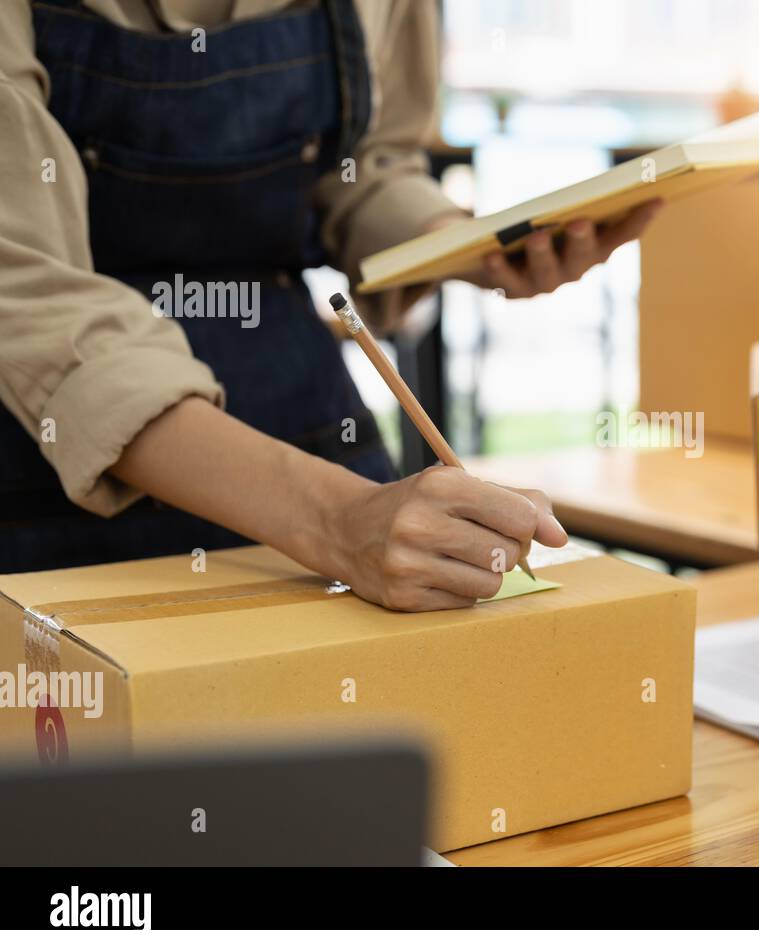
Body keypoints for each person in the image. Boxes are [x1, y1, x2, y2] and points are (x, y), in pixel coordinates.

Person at [0, 0, 660, 609]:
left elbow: (362, 169)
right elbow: (25, 285)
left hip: (296, 404)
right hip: (48, 445)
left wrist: (472, 249)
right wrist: (335, 521)